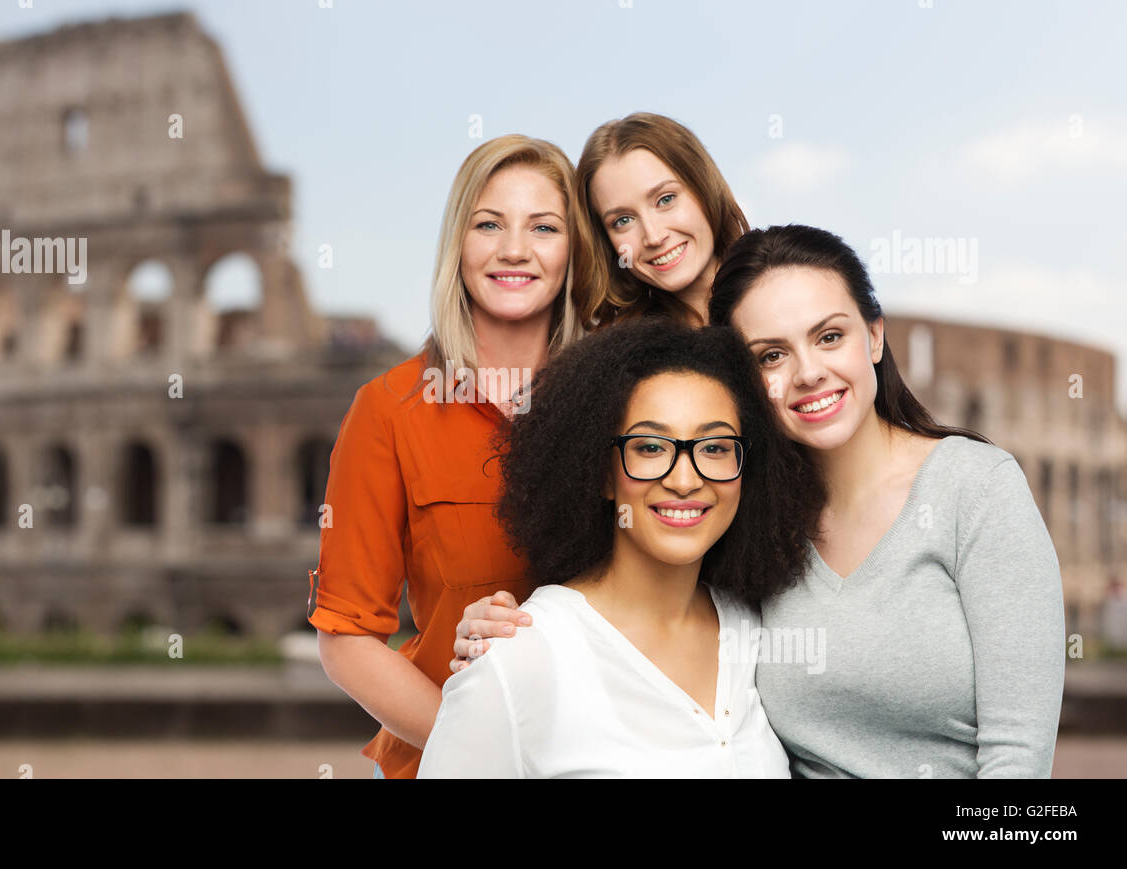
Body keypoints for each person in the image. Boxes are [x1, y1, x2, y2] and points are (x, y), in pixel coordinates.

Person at [452, 224, 1066, 779]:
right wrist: (504, 642)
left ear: (874, 336)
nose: (807, 372)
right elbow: (629, 600)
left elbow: (1019, 757)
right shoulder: (747, 519)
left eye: (829, 336)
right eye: (771, 355)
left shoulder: (975, 489)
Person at [309, 134, 604, 779]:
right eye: (488, 224)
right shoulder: (387, 411)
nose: (514, 250)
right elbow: (347, 639)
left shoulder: (621, 403)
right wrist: (485, 752)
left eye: (544, 227)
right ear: (458, 246)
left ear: (573, 251)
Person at [418, 318, 823, 777]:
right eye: (650, 447)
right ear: (603, 473)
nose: (685, 480)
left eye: (714, 448)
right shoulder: (517, 660)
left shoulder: (756, 634)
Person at [572, 112, 749, 328]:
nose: (654, 236)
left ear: (704, 189)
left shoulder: (788, 288)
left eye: (665, 199)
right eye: (623, 220)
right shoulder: (620, 351)